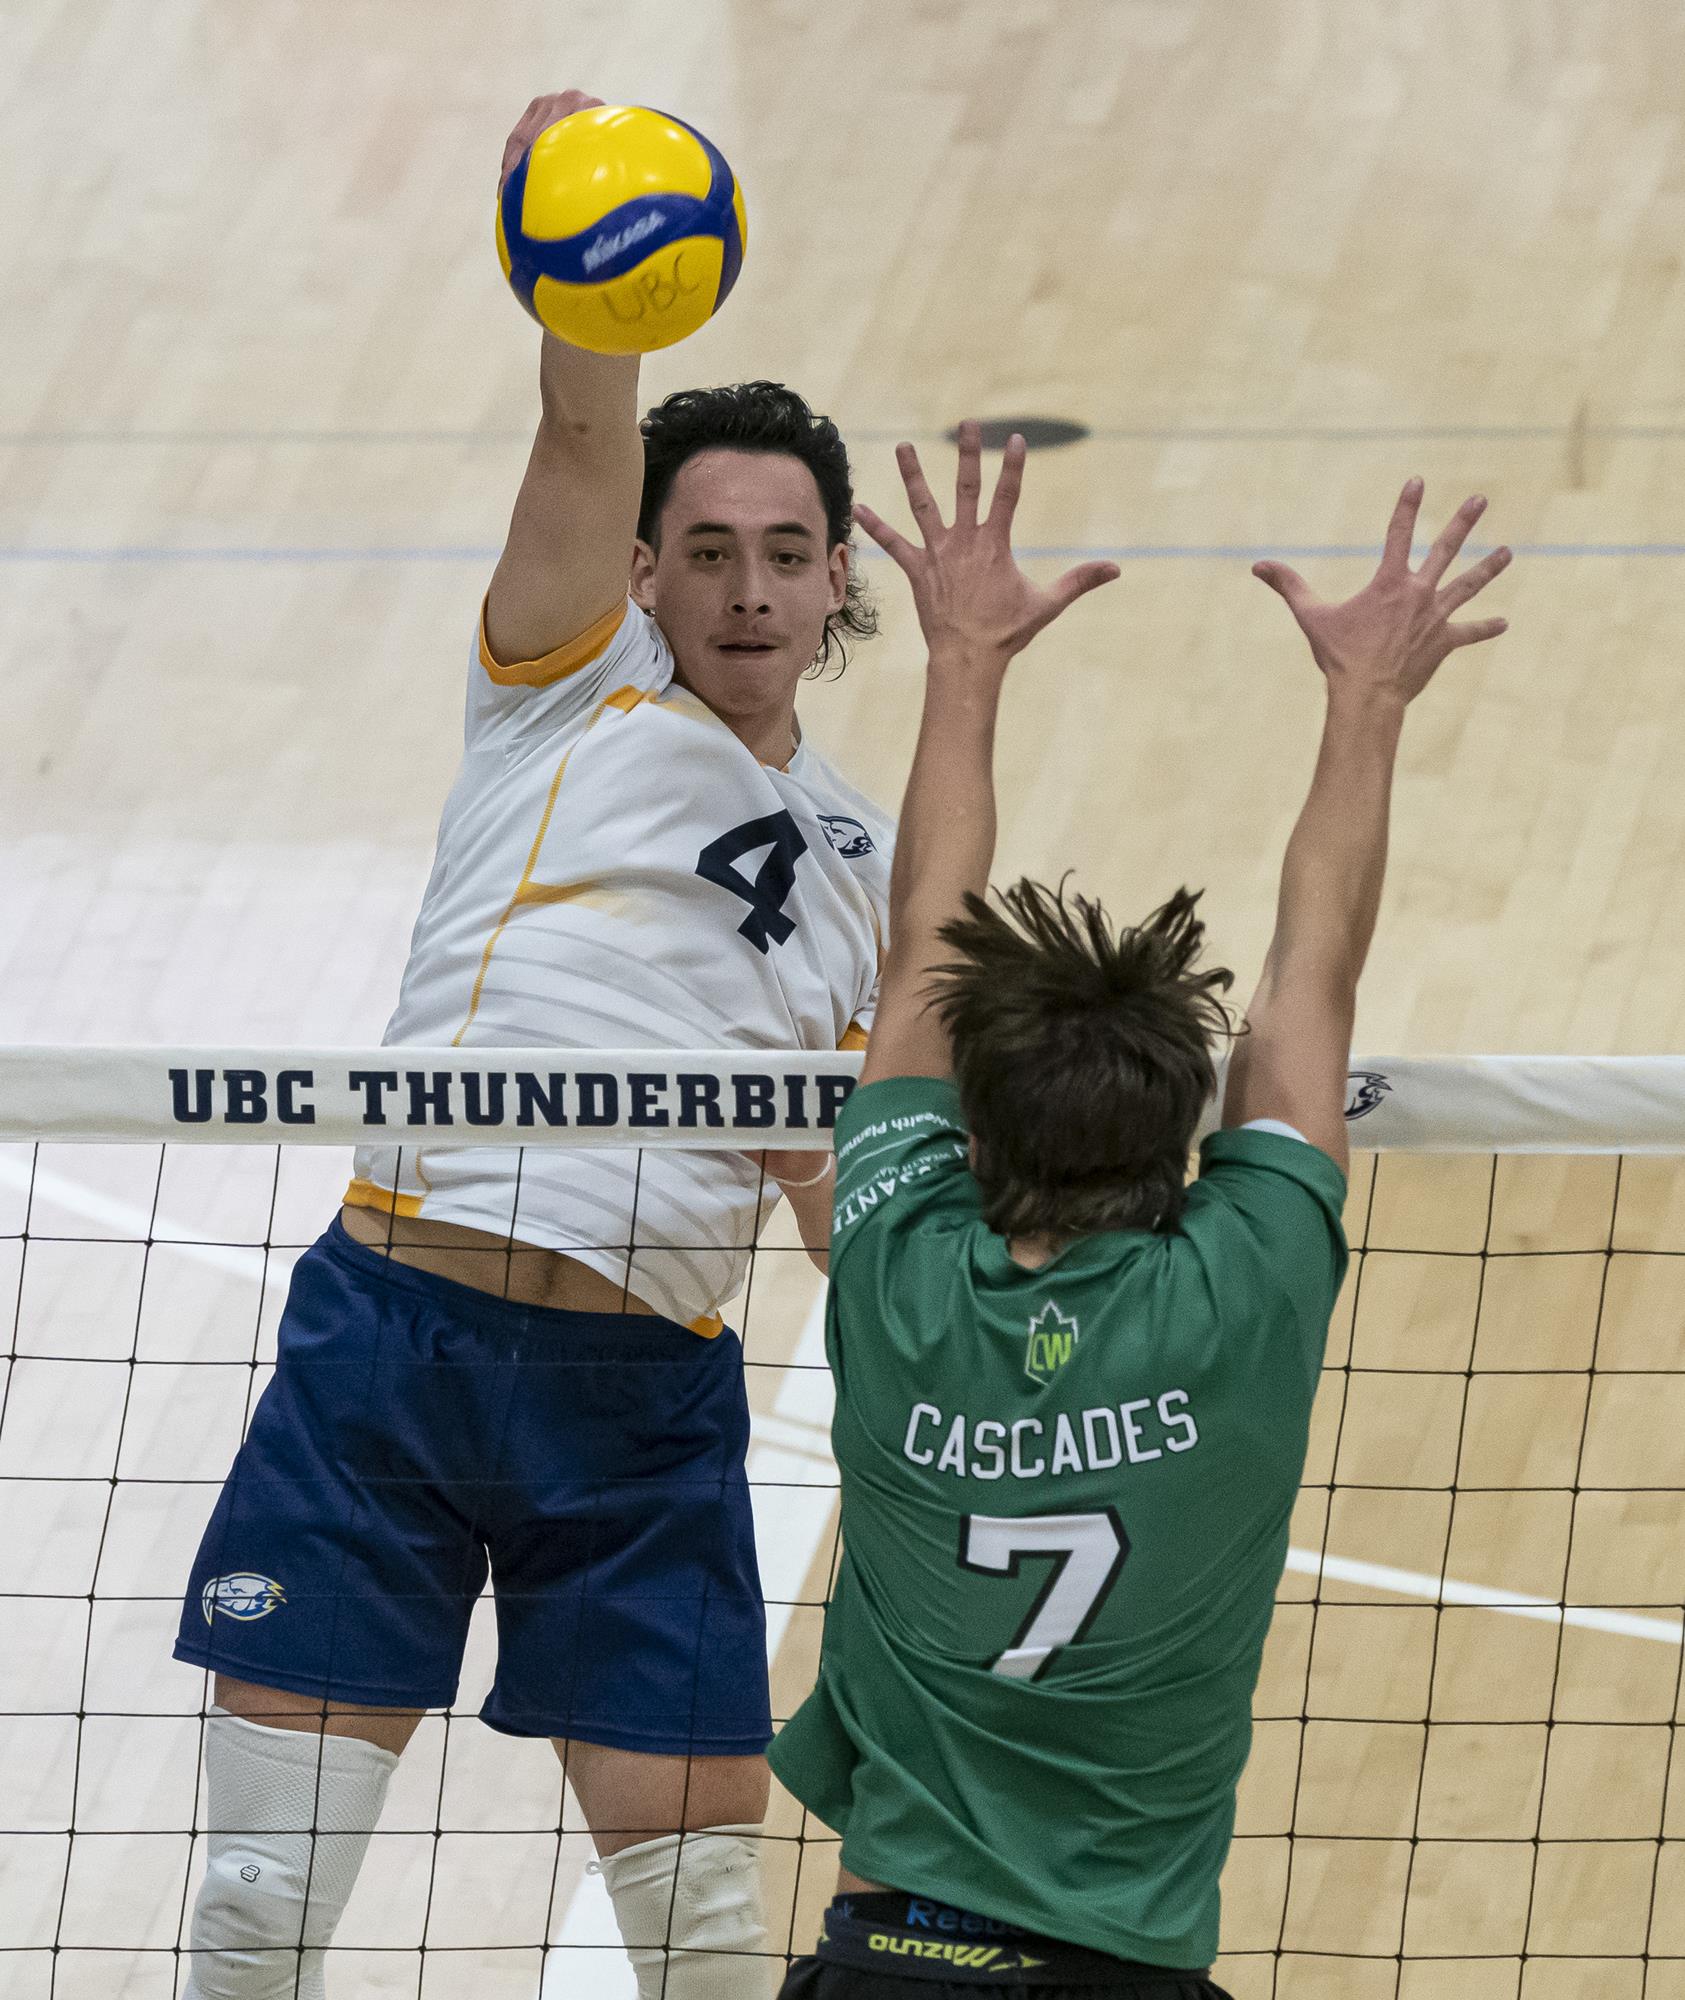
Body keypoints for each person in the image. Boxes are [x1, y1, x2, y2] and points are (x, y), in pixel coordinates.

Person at [172, 88, 893, 2000]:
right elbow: (586, 419)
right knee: (253, 1912)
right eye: (709, 545)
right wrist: (575, 237)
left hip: (640, 1412)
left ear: (836, 587)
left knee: (708, 1940)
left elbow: (831, 1178)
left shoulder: (864, 863)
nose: (747, 583)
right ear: (644, 574)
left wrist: (954, 1359)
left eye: (788, 551)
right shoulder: (564, 684)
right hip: (389, 1358)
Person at [768, 439, 1511, 1997]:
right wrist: (1366, 702)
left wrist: (961, 659)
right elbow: (1312, 978)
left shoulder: (893, 1268)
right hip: (1122, 1973)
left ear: (965, 1130)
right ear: (1191, 1141)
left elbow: (921, 943)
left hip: (890, 1960)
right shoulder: (1239, 1291)